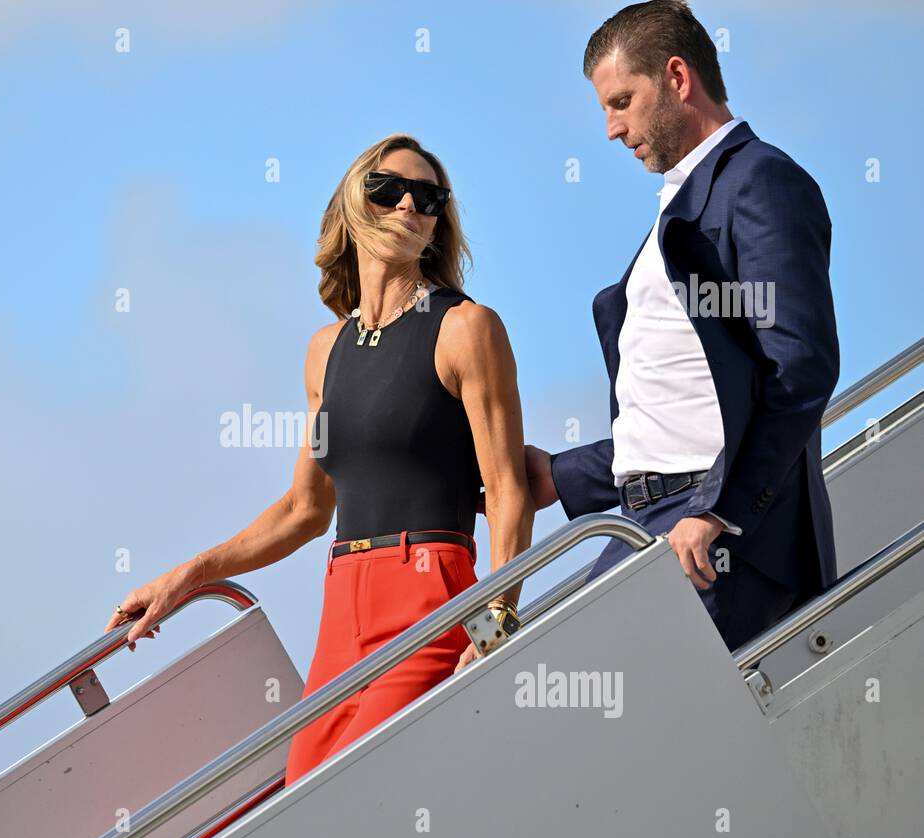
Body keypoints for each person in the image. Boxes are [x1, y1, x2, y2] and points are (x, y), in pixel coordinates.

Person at [106, 133, 533, 787]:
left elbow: (507, 492)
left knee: (359, 794)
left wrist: (496, 622)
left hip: (430, 595)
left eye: (430, 198)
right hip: (341, 608)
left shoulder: (466, 329)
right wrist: (187, 576)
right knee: (303, 790)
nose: (410, 206)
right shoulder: (324, 350)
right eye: (389, 191)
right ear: (353, 208)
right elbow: (305, 510)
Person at [525, 0, 840, 652]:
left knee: (611, 726)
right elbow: (691, 406)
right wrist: (560, 477)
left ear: (675, 77)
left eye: (621, 101)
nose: (611, 129)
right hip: (650, 522)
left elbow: (801, 364)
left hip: (714, 538)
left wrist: (721, 513)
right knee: (569, 704)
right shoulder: (680, 208)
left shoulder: (759, 181)